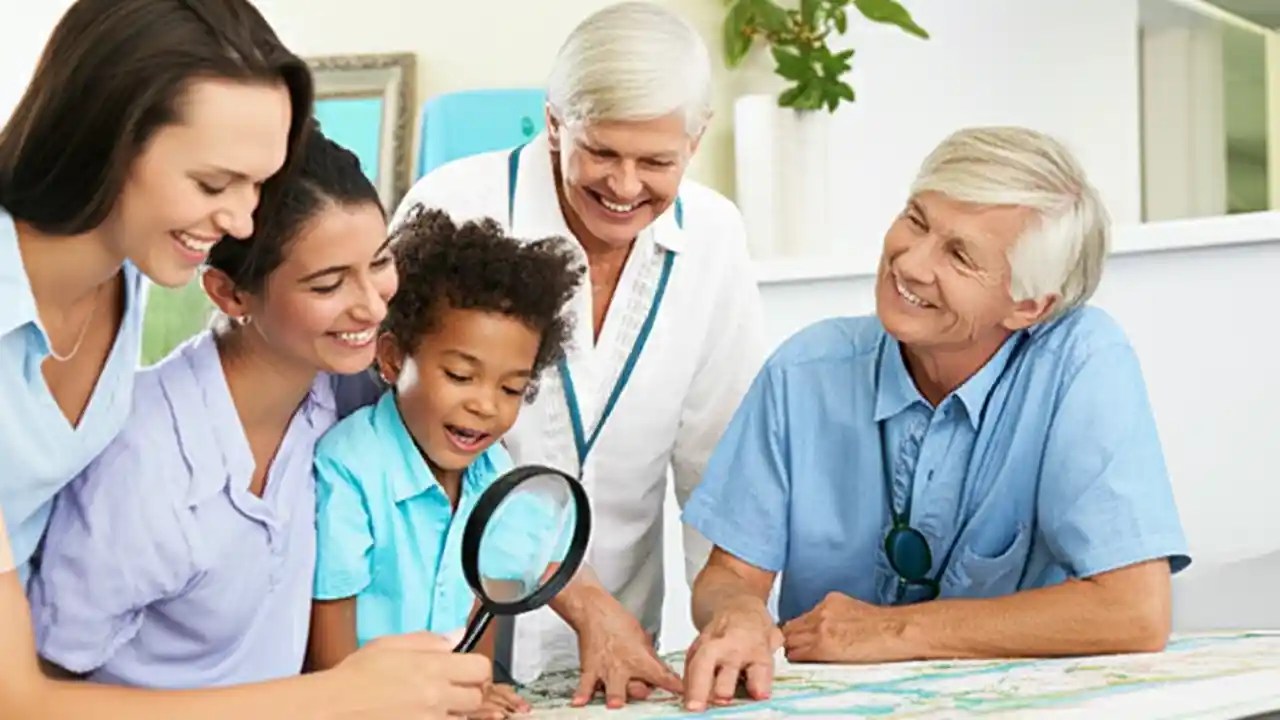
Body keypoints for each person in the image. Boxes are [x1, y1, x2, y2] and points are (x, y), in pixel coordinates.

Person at [0, 1, 489, 717]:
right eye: (212, 184)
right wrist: (335, 696)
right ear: (107, 136)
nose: (239, 220)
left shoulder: (126, 269)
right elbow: (19, 697)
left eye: (258, 183)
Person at [679, 126, 1192, 712]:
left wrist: (893, 631)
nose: (911, 263)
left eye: (959, 255)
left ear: (1029, 305)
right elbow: (729, 576)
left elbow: (1134, 610)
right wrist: (738, 615)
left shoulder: (1080, 362)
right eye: (916, 221)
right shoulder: (804, 371)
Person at [390, 1, 768, 704]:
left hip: (620, 660)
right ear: (555, 122)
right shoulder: (455, 204)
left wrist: (732, 613)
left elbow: (719, 468)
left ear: (695, 140)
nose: (624, 186)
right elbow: (407, 443)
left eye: (656, 161)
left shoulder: (715, 238)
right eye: (602, 152)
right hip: (449, 644)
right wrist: (582, 600)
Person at [26, 129, 397, 687]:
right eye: (328, 285)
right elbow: (47, 688)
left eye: (381, 261)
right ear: (229, 293)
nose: (372, 305)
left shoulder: (347, 397)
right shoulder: (145, 466)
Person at [306, 207, 582, 720]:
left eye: (511, 388)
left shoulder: (497, 473)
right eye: (459, 375)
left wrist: (476, 690)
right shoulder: (348, 468)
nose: (486, 405)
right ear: (392, 359)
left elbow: (486, 607)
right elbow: (330, 669)